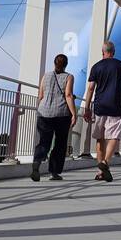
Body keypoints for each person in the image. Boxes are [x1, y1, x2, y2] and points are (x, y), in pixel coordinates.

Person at [82, 41, 121, 183]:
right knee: (113, 137)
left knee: (100, 138)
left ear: (103, 52)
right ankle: (105, 163)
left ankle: (100, 172)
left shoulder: (96, 67)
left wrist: (87, 108)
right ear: (114, 51)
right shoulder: (120, 65)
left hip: (99, 107)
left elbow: (91, 88)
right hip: (115, 107)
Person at [32, 53, 77, 182]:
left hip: (44, 113)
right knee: (60, 144)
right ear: (66, 64)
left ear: (54, 63)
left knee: (44, 141)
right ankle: (54, 172)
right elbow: (68, 95)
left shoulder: (45, 76)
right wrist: (73, 113)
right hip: (61, 114)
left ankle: (37, 162)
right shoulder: (69, 77)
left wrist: (40, 109)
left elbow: (40, 95)